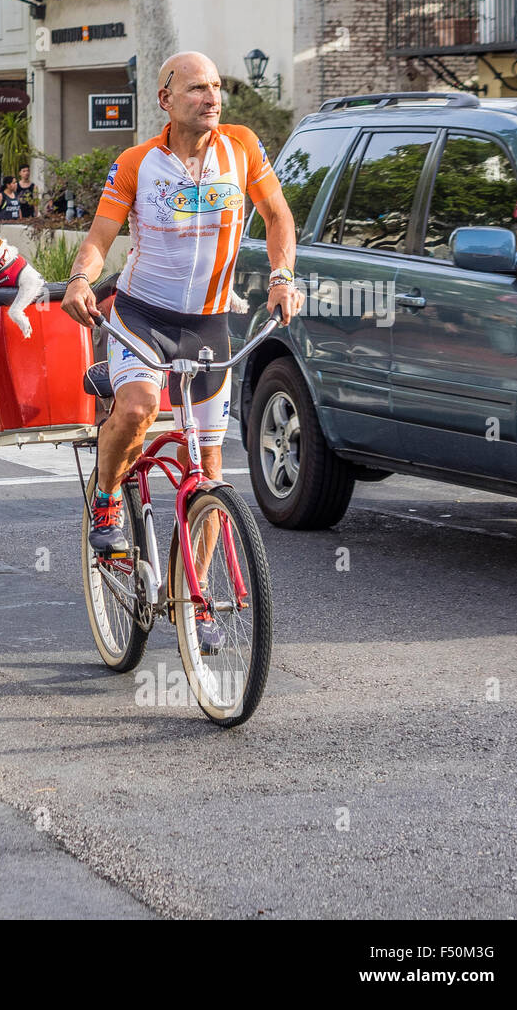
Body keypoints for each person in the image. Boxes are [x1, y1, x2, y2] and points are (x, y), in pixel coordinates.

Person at [60, 52, 303, 646]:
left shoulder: (242, 148)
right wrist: (81, 278)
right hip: (143, 316)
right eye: (197, 88)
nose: (212, 97)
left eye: (216, 86)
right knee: (139, 407)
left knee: (210, 471)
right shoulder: (137, 163)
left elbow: (278, 216)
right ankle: (106, 498)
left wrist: (281, 276)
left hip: (209, 324)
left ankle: (195, 601)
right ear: (166, 99)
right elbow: (99, 238)